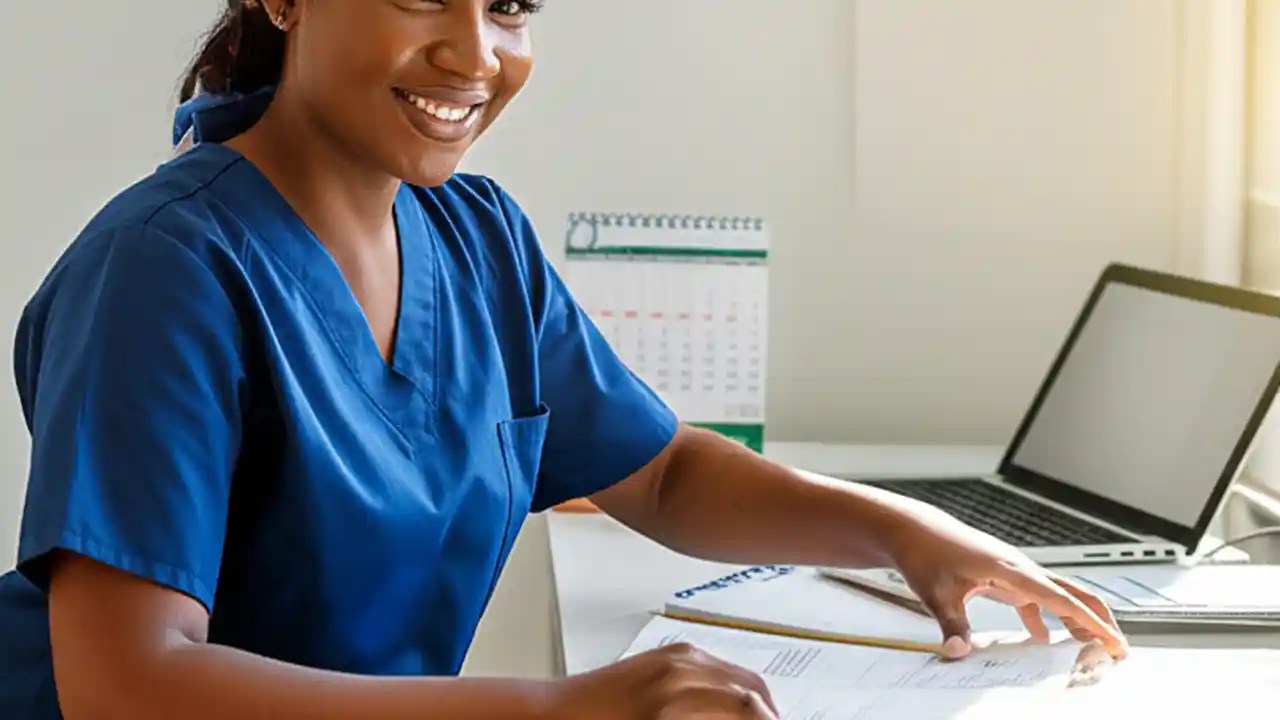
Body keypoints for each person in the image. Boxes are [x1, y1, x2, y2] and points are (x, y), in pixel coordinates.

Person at [0, 1, 1128, 718]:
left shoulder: (477, 236)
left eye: (509, 6)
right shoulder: (163, 271)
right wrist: (556, 711)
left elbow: (656, 473)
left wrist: (900, 532)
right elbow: (128, 686)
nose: (473, 54)